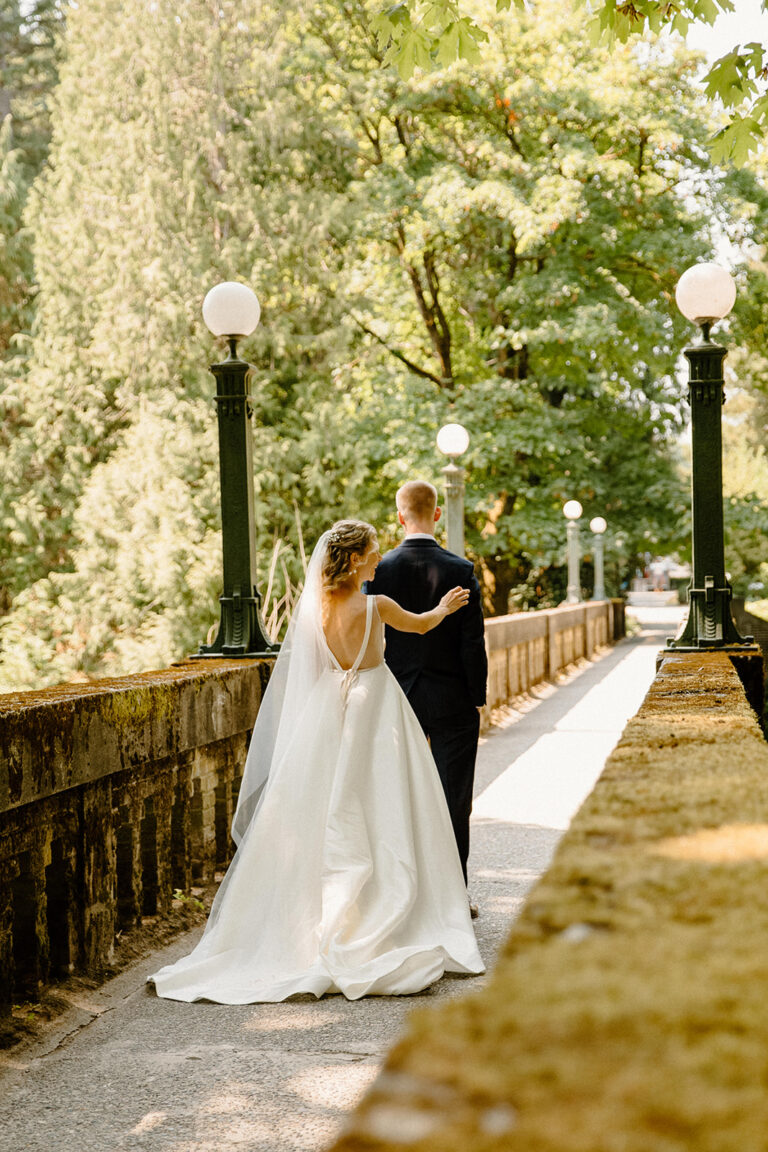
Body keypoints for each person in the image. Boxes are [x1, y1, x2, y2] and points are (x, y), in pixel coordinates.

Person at [149, 519, 484, 1003]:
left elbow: (310, 665)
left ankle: (317, 916)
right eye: (370, 552)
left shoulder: (315, 609)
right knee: (382, 803)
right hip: (374, 702)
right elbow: (421, 624)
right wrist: (445, 606)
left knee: (321, 806)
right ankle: (382, 910)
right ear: (352, 559)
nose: (377, 557)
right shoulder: (376, 605)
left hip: (329, 705)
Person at [365, 481, 487, 903]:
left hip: (397, 699)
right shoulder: (461, 571)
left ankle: (404, 896)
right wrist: (476, 698)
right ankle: (454, 895)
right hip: (452, 698)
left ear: (400, 516)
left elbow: (367, 637)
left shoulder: (377, 571)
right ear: (436, 514)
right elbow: (473, 643)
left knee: (398, 795)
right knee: (454, 798)